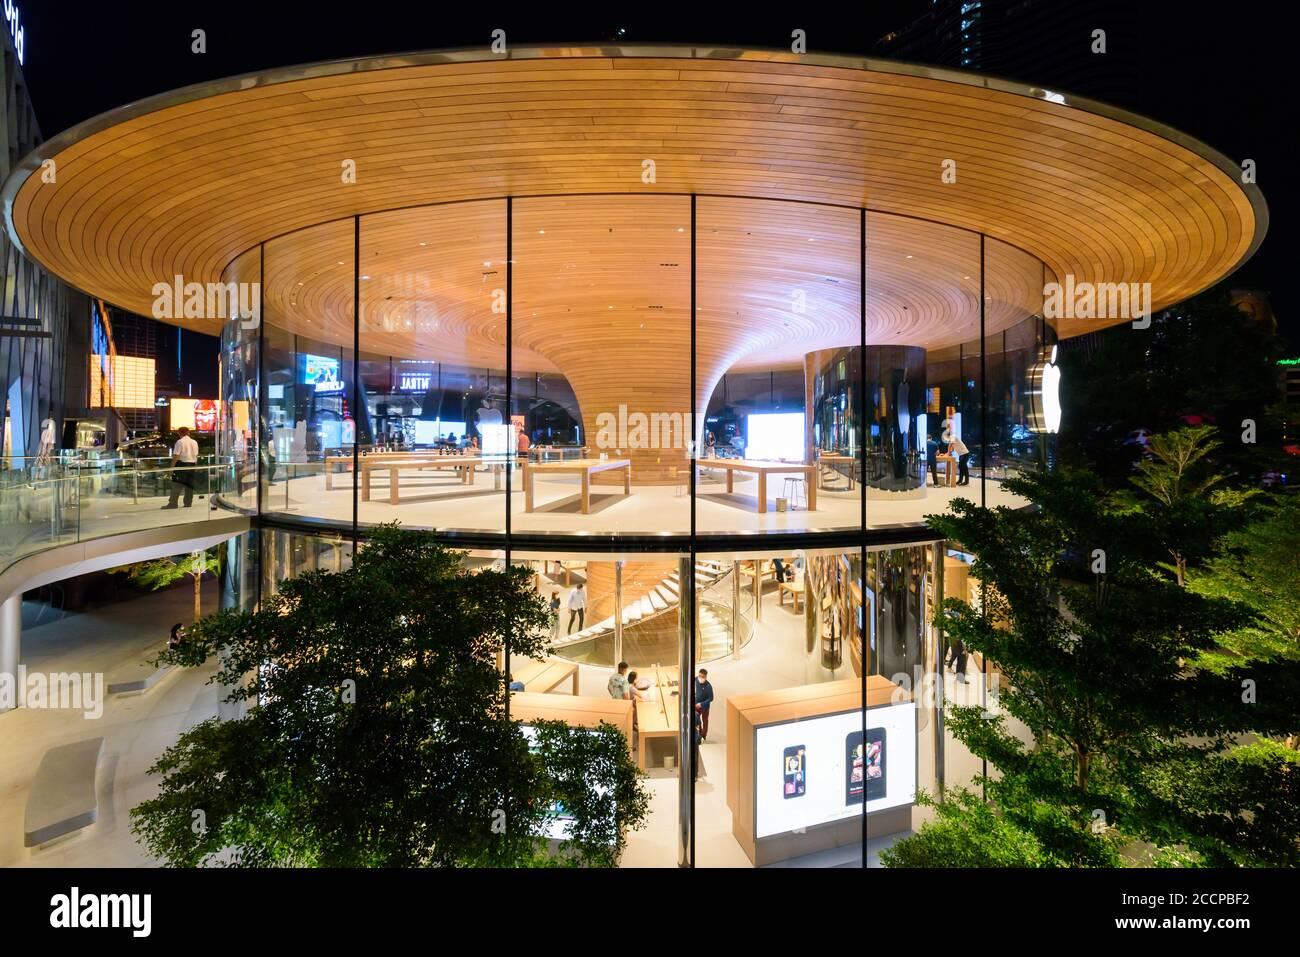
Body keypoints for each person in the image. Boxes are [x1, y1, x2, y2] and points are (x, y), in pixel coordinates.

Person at [162, 426, 200, 509]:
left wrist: (171, 468)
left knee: (177, 484)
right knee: (189, 485)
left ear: (179, 433)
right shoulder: (194, 442)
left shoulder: (179, 442)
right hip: (192, 465)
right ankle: (188, 503)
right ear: (188, 433)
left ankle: (173, 503)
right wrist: (195, 466)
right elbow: (196, 456)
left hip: (182, 465)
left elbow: (176, 456)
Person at [694, 668, 714, 742]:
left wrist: (701, 704)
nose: (700, 678)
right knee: (696, 719)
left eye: (702, 676)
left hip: (704, 706)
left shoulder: (708, 686)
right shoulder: (696, 680)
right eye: (699, 676)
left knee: (705, 721)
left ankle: (704, 736)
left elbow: (711, 698)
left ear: (705, 677)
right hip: (696, 705)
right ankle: (699, 734)